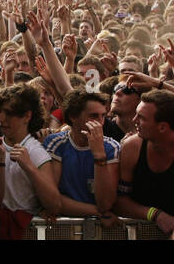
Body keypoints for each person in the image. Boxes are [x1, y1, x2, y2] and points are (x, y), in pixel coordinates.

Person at [0, 84, 60, 238]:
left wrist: (30, 167)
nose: (1, 119)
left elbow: (54, 205)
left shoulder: (36, 152)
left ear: (27, 116)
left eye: (9, 113)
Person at [42, 89, 120, 220]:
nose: (100, 122)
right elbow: (53, 199)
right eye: (94, 116)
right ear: (73, 116)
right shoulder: (56, 143)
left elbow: (105, 203)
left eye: (103, 116)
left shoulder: (111, 147)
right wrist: (97, 213)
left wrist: (99, 154)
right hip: (65, 225)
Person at [113, 90, 174, 235]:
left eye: (141, 118)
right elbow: (120, 202)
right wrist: (155, 214)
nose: (134, 120)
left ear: (162, 127)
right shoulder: (132, 147)